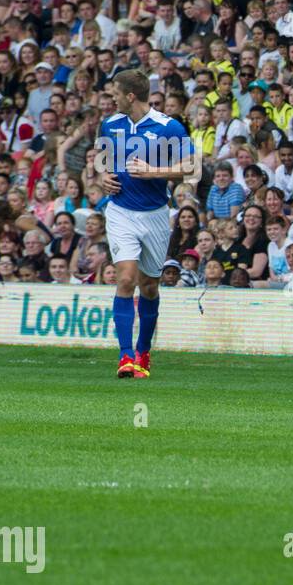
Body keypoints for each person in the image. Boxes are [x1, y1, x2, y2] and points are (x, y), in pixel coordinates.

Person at [96, 69, 195, 379]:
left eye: (115, 94)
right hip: (120, 211)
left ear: (130, 96)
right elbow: (101, 160)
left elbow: (191, 167)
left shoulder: (169, 127)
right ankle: (125, 356)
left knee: (149, 286)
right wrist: (102, 176)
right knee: (125, 279)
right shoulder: (111, 124)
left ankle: (143, 352)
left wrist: (153, 171)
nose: (110, 99)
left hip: (154, 214)